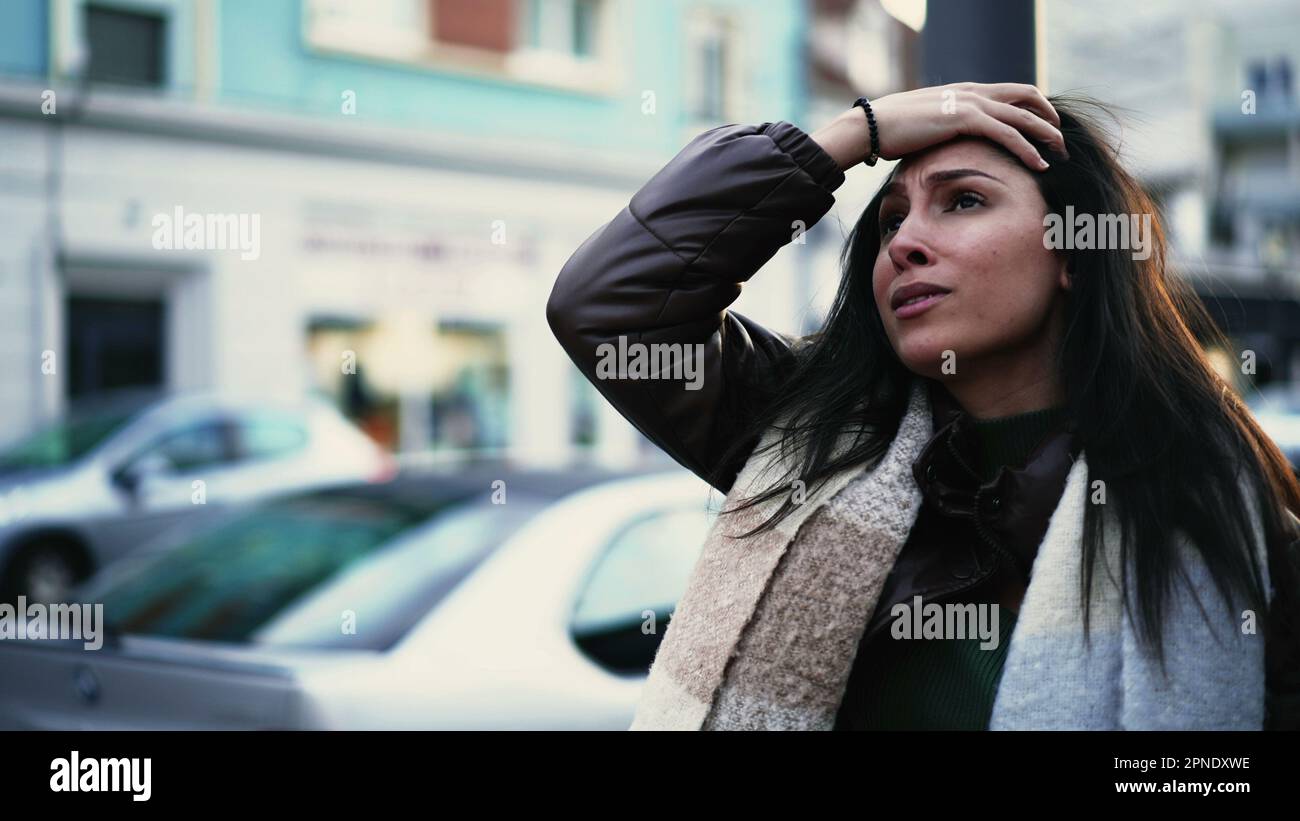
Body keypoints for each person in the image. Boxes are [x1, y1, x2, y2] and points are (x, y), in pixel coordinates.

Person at [546, 82, 1300, 730]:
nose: (906, 241)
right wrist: (854, 134)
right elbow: (609, 307)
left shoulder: (1223, 511)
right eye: (890, 221)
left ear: (1073, 250)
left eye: (963, 201)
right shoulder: (812, 436)